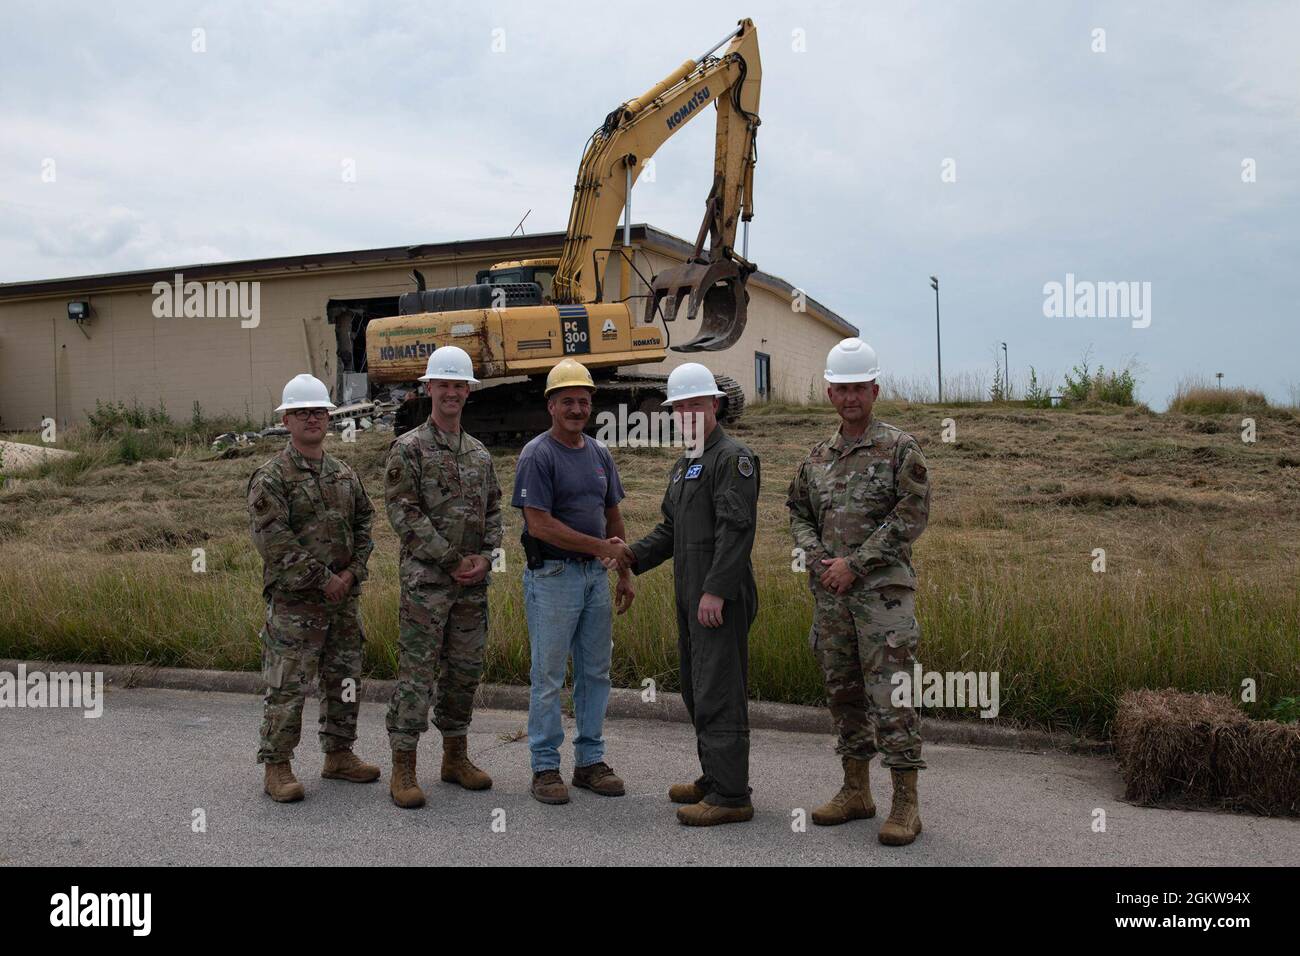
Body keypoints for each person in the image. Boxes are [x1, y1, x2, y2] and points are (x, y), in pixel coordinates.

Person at [786, 337, 931, 846]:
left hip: (882, 597)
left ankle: (906, 804)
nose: (850, 398)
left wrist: (855, 564)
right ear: (830, 393)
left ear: (875, 390)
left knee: (891, 697)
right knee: (843, 692)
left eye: (859, 389)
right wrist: (819, 557)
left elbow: (911, 515)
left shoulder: (899, 448)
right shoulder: (817, 456)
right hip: (831, 595)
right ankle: (855, 791)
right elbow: (797, 511)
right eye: (841, 389)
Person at [615, 363, 760, 826]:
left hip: (718, 596)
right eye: (680, 407)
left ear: (714, 404)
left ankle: (732, 796)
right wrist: (631, 557)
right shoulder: (686, 465)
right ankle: (715, 777)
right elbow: (670, 530)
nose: (687, 413)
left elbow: (735, 531)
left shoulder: (732, 458)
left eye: (696, 404)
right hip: (690, 594)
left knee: (719, 690)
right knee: (698, 688)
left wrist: (716, 590)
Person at [248, 373, 379, 802]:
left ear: (329, 418)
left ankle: (339, 754)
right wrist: (325, 580)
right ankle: (277, 765)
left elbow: (365, 522)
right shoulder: (271, 478)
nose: (311, 419)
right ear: (286, 420)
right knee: (287, 686)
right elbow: (275, 542)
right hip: (297, 605)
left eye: (319, 411)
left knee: (344, 679)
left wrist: (352, 573)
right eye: (301, 412)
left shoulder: (343, 473)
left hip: (342, 602)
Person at [384, 346, 503, 809]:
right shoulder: (409, 448)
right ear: (428, 388)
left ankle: (455, 757)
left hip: (472, 588)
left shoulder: (478, 454)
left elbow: (494, 509)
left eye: (460, 385)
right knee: (417, 675)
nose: (452, 392)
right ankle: (404, 766)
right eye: (444, 384)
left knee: (465, 672)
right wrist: (451, 559)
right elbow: (403, 513)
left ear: (468, 391)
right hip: (427, 586)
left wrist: (486, 557)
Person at [514, 358, 634, 805]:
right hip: (554, 576)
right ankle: (545, 767)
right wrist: (603, 549)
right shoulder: (537, 455)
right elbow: (540, 525)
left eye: (584, 401)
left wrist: (623, 571)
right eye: (568, 401)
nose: (577, 409)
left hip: (593, 580)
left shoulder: (600, 454)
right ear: (551, 405)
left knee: (595, 672)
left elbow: (612, 515)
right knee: (547, 676)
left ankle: (589, 763)